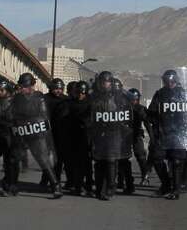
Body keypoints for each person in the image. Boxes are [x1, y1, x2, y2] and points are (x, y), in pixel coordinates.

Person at [148, 68, 187, 200]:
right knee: (157, 158)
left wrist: (186, 129)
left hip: (179, 134)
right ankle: (165, 184)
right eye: (166, 81)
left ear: (176, 80)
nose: (169, 83)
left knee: (177, 162)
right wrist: (157, 124)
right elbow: (152, 112)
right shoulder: (160, 94)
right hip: (163, 133)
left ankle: (175, 190)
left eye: (171, 81)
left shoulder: (184, 94)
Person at [11, 73, 61, 198]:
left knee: (43, 160)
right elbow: (13, 115)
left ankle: (55, 185)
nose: (22, 88)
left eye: (25, 86)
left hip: (37, 133)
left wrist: (47, 138)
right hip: (22, 132)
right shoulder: (17, 98)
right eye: (21, 86)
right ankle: (13, 185)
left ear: (31, 86)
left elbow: (44, 116)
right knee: (15, 159)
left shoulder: (39, 97)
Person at [86, 72, 131, 201]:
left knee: (111, 160)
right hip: (99, 132)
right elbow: (87, 112)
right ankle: (100, 188)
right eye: (101, 82)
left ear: (111, 83)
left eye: (106, 82)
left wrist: (125, 128)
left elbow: (128, 111)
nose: (104, 84)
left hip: (114, 132)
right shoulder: (93, 96)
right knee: (100, 161)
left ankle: (111, 187)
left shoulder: (119, 97)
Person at [62, 80, 93, 195]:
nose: (80, 95)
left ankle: (89, 186)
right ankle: (78, 186)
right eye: (79, 93)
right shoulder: (71, 103)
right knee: (76, 164)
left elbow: (92, 119)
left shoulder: (91, 103)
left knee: (87, 164)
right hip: (74, 136)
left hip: (87, 137)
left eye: (83, 93)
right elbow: (66, 118)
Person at [43, 78, 68, 191]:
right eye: (56, 88)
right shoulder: (45, 99)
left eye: (60, 89)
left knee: (58, 160)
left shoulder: (65, 100)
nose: (58, 91)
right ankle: (45, 178)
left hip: (61, 134)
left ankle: (56, 181)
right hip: (47, 133)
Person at [123, 87, 146, 194]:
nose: (134, 102)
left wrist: (152, 136)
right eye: (132, 100)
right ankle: (121, 179)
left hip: (136, 135)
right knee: (122, 158)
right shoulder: (122, 108)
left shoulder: (141, 108)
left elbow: (147, 123)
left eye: (136, 100)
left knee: (140, 155)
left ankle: (144, 174)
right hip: (124, 135)